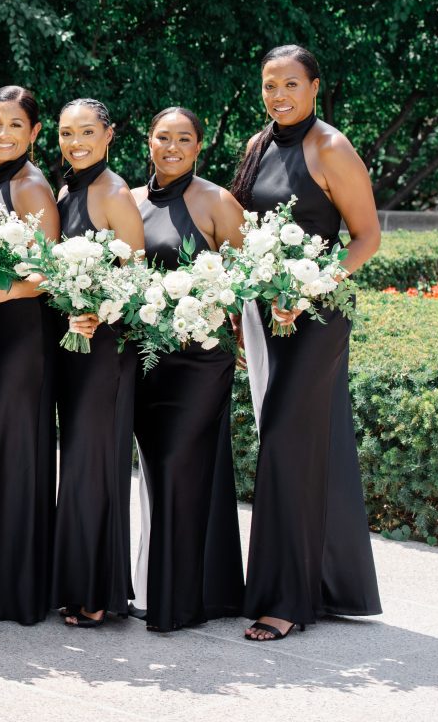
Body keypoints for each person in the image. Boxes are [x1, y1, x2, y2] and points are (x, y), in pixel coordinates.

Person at [230, 45, 382, 641]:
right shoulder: (257, 146)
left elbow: (367, 237)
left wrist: (315, 286)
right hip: (268, 313)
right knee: (311, 444)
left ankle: (288, 599)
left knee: (288, 443)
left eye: (291, 84)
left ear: (315, 87)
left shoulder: (331, 148)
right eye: (270, 85)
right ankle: (332, 583)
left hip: (317, 317)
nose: (279, 95)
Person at [128, 106, 246, 632]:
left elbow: (249, 282)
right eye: (162, 137)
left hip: (200, 364)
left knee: (179, 465)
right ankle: (183, 587)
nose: (171, 147)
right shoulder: (128, 201)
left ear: (199, 146)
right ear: (147, 141)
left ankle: (175, 603)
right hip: (144, 361)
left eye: (183, 139)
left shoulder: (218, 201)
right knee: (158, 471)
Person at [0, 86, 60, 624]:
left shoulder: (31, 188)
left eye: (15, 125)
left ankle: (17, 590)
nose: (2, 134)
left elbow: (51, 273)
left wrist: (7, 292)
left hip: (23, 335)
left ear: (34, 132)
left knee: (15, 451)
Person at [50, 97, 144, 627]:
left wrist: (97, 313)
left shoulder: (114, 194)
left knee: (95, 465)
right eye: (67, 133)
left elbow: (135, 280)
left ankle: (100, 592)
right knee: (78, 465)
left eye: (87, 131)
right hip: (71, 347)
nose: (76, 141)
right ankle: (75, 582)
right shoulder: (67, 189)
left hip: (105, 349)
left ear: (109, 134)